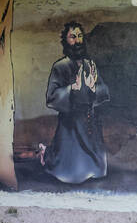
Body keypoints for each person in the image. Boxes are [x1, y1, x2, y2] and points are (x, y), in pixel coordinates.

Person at [42, 21, 110, 184]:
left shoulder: (90, 65)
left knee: (98, 170)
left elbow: (104, 91)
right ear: (66, 41)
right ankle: (46, 155)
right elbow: (51, 97)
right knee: (68, 172)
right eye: (72, 37)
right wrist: (72, 88)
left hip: (89, 123)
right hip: (70, 125)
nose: (77, 40)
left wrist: (94, 88)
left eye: (80, 36)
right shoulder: (60, 66)